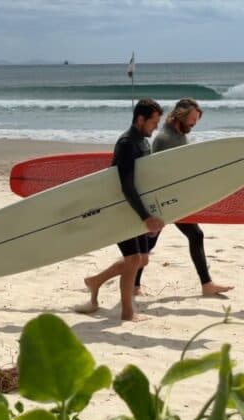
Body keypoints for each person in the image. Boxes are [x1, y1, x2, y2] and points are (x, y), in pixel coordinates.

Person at [75, 99, 165, 321]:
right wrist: (145, 217)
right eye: (153, 122)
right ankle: (127, 312)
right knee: (134, 259)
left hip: (134, 207)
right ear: (140, 119)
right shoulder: (127, 143)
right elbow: (126, 185)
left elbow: (145, 180)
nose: (155, 127)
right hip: (120, 207)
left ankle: (95, 281)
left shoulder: (143, 142)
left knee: (142, 259)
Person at [135, 98, 233, 296]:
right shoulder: (164, 138)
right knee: (155, 240)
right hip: (166, 201)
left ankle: (134, 284)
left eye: (197, 119)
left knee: (158, 241)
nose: (194, 123)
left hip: (176, 200)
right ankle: (131, 283)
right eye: (192, 119)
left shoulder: (180, 135)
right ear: (180, 115)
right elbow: (156, 174)